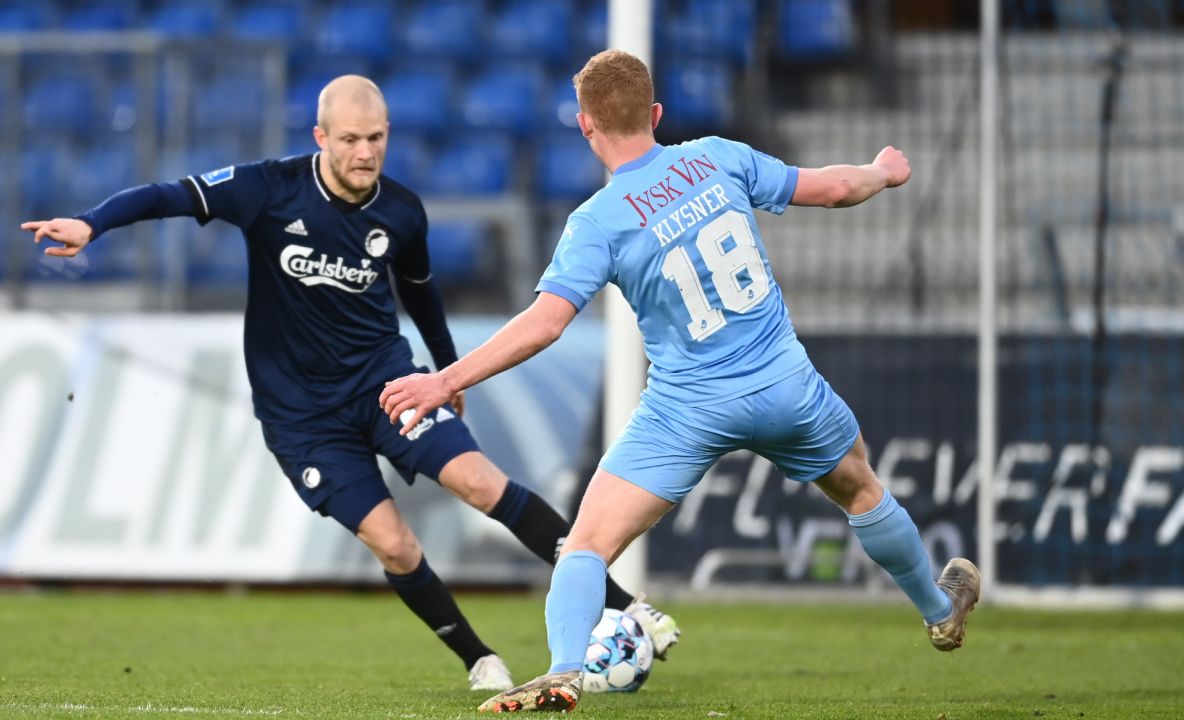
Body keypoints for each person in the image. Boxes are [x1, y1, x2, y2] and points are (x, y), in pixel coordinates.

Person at [20, 74, 679, 693]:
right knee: (393, 543)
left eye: (377, 139)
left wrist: (446, 372)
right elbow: (169, 196)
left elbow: (420, 295)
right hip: (302, 417)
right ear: (321, 138)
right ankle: (479, 657)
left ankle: (628, 608)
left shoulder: (402, 213)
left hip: (386, 384)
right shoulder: (267, 189)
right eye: (351, 140)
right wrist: (92, 223)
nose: (366, 153)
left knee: (481, 482)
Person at [378, 50, 981, 713]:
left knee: (586, 545)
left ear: (585, 126)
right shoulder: (718, 156)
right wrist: (881, 171)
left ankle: (564, 672)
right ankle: (937, 610)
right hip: (785, 387)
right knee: (860, 487)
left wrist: (446, 379)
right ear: (656, 114)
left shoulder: (598, 221)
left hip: (689, 409)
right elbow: (835, 188)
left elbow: (547, 323)